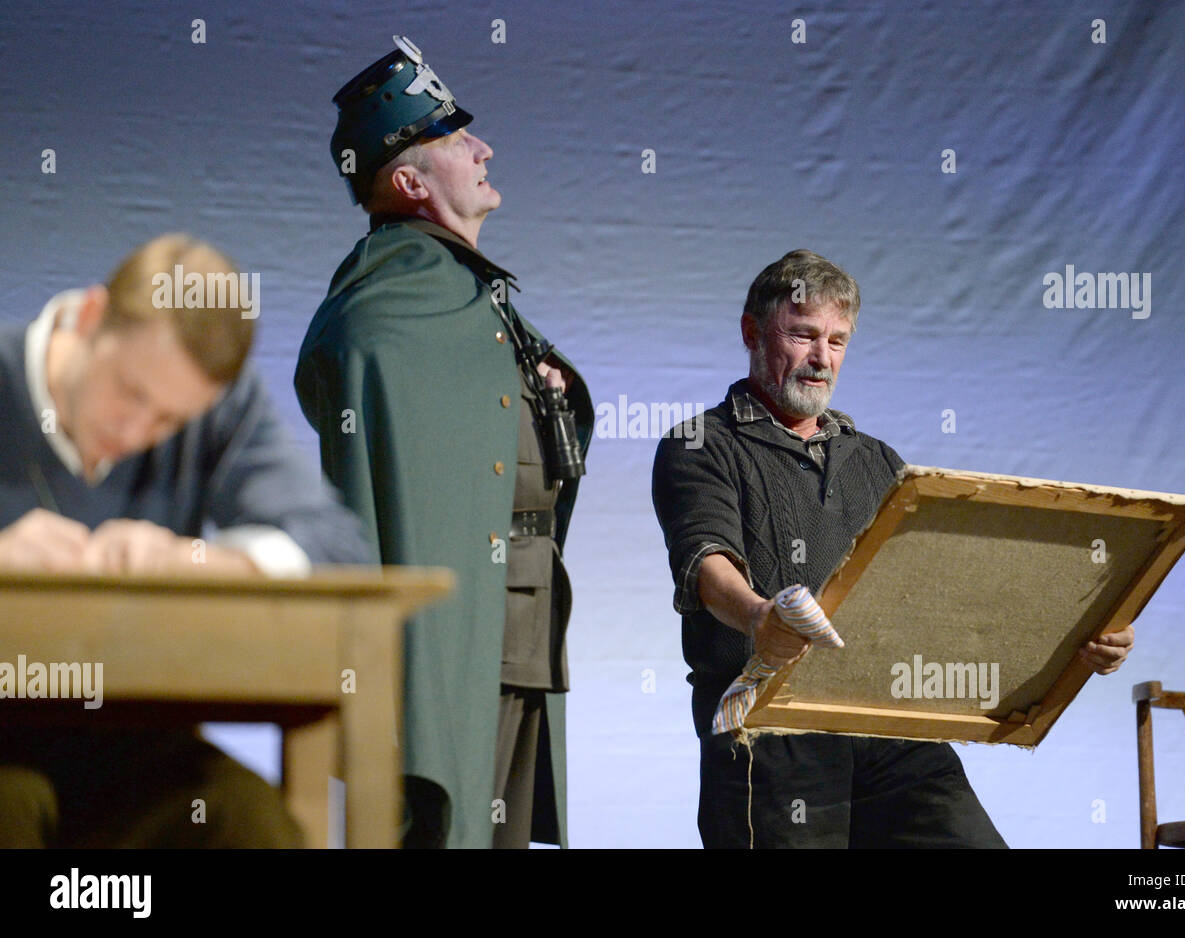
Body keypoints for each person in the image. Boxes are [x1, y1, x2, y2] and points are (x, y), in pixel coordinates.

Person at [651, 249, 1134, 848]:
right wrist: (757, 616)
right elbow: (706, 560)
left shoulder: (879, 462)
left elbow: (943, 602)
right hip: (771, 731)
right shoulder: (701, 444)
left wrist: (1073, 643)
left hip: (887, 728)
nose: (821, 358)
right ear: (752, 332)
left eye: (838, 340)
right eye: (802, 335)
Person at [296, 36, 592, 849]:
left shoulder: (467, 292)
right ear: (410, 181)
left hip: (524, 625)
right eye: (458, 139)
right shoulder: (383, 305)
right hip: (459, 636)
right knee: (443, 827)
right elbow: (357, 388)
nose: (483, 147)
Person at [0, 233, 374, 848]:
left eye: (170, 420)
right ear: (92, 317)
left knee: (250, 823)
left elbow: (335, 545)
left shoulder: (223, 409)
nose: (138, 430)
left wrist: (200, 561)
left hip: (133, 748)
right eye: (129, 391)